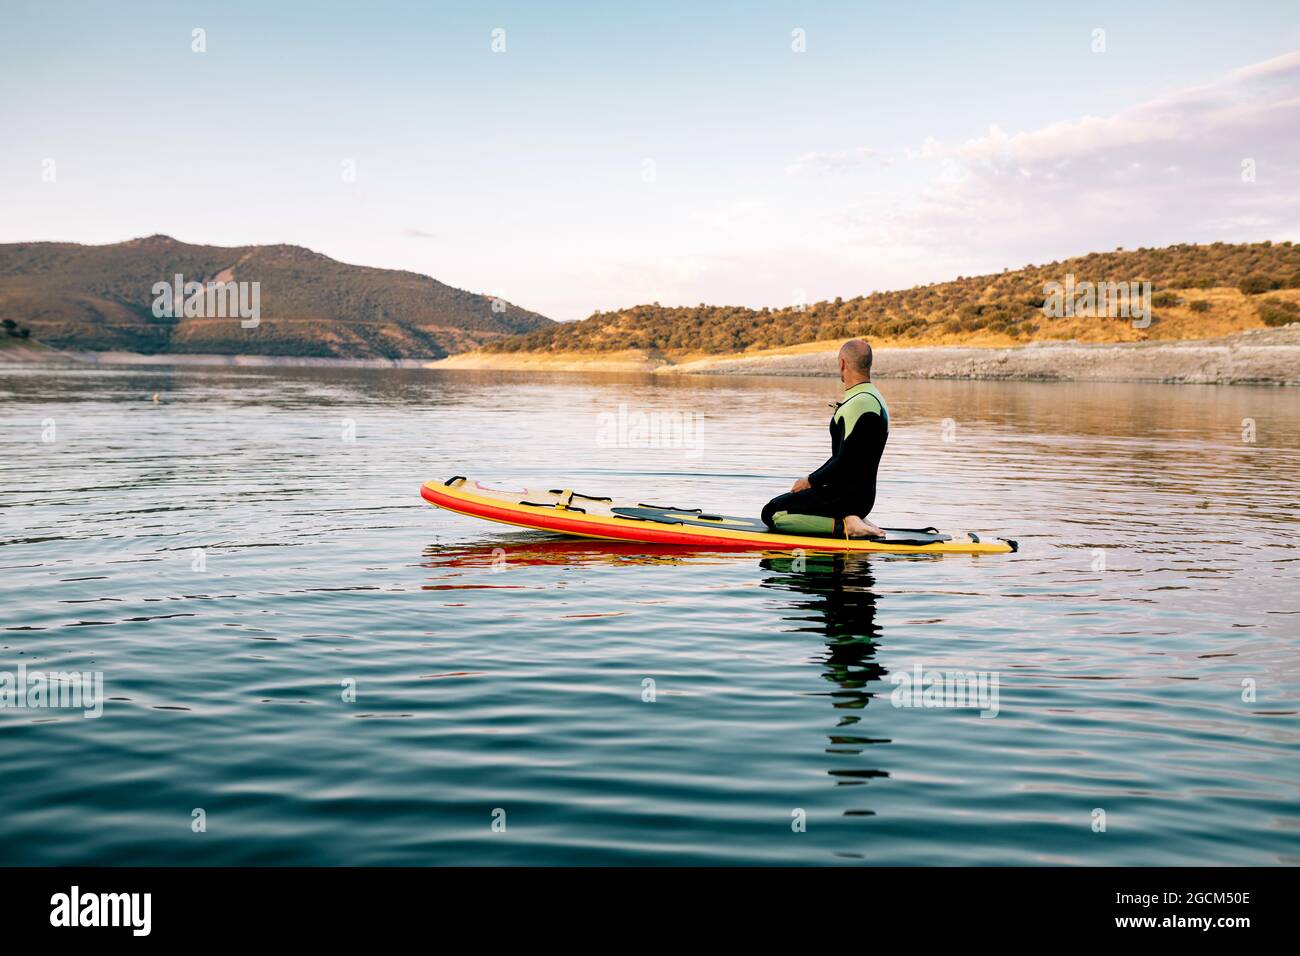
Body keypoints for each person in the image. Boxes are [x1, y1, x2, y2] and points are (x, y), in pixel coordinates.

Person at [761, 339, 888, 539]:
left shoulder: (860, 402)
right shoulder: (873, 397)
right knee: (783, 505)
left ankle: (847, 525)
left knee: (773, 513)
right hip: (857, 496)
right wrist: (815, 482)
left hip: (845, 497)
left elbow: (845, 461)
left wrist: (810, 481)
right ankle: (855, 518)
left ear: (842, 363)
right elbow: (849, 457)